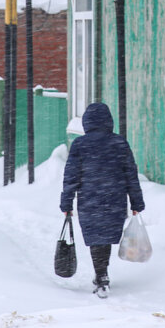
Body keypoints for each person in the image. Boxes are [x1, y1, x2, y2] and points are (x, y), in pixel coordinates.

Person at [60, 102, 144, 298]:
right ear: (109, 121)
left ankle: (101, 275)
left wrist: (67, 202)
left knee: (96, 237)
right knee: (104, 237)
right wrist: (136, 202)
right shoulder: (119, 143)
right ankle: (102, 274)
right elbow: (131, 174)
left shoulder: (80, 145)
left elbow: (71, 176)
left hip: (89, 199)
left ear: (86, 123)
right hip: (114, 197)